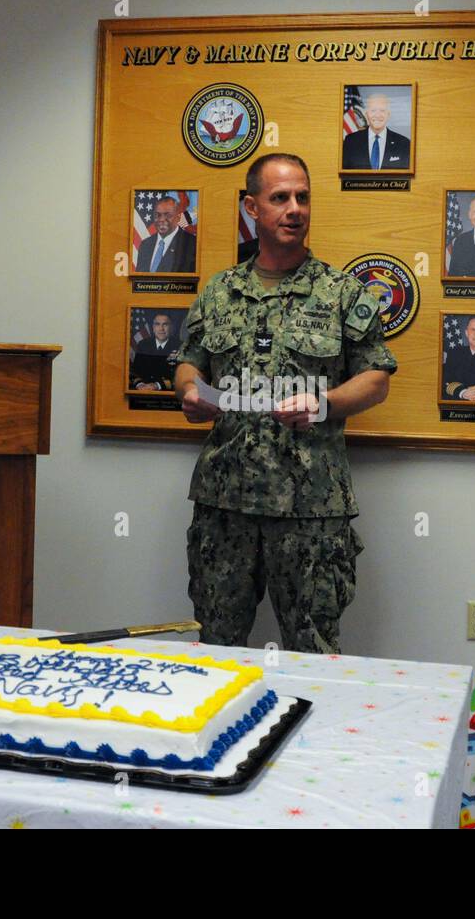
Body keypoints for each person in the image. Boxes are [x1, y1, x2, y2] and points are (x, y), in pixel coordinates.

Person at [174, 153, 396, 654]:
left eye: (303, 197)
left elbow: (376, 379)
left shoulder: (342, 293)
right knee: (218, 647)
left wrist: (322, 403)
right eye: (280, 198)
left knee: (313, 649)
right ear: (253, 207)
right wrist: (189, 391)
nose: (294, 209)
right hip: (224, 504)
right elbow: (189, 364)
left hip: (310, 506)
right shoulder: (219, 291)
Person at [342, 92, 411, 170]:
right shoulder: (350, 141)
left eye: (382, 110)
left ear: (388, 114)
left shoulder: (404, 144)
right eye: (373, 110)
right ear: (366, 114)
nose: (377, 115)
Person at [135, 197, 197, 274]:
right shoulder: (145, 244)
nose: (161, 219)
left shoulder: (192, 244)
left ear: (178, 218)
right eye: (158, 215)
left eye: (168, 215)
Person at [130, 312, 181, 391]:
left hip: (169, 395)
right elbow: (135, 371)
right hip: (143, 393)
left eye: (165, 324)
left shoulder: (180, 346)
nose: (161, 328)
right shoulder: (143, 345)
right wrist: (140, 384)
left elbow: (183, 376)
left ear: (171, 327)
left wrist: (158, 385)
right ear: (153, 328)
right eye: (157, 324)